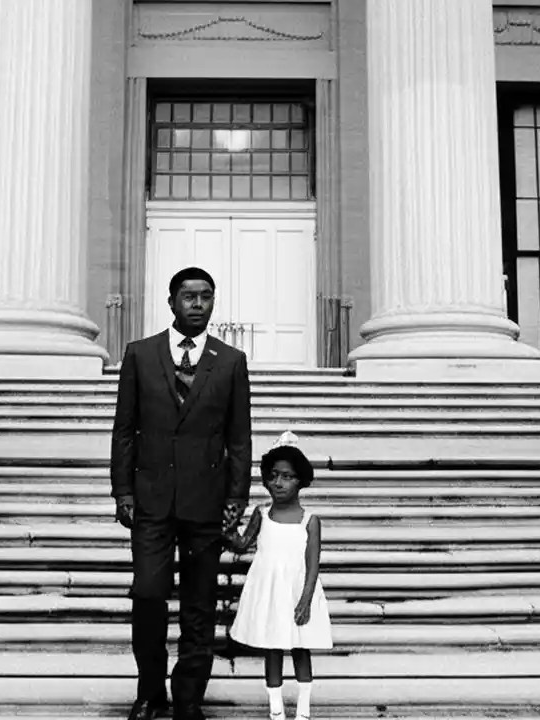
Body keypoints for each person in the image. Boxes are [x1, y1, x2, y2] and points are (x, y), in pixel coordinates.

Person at [111, 266, 253, 720]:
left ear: (213, 303)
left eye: (206, 296)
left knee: (199, 604)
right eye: (188, 296)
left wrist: (236, 497)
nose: (197, 303)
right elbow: (125, 429)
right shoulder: (140, 354)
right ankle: (151, 692)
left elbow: (239, 437)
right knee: (149, 594)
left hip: (206, 501)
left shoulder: (230, 361)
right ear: (171, 302)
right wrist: (122, 491)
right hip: (151, 499)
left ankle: (189, 697)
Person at [227, 431, 333, 720]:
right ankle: (275, 708)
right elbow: (242, 544)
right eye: (273, 475)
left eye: (287, 476)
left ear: (301, 481)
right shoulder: (261, 514)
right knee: (272, 647)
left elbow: (312, 564)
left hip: (297, 589)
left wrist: (306, 600)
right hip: (269, 590)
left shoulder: (310, 521)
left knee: (300, 647)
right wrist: (227, 528)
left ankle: (303, 708)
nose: (278, 482)